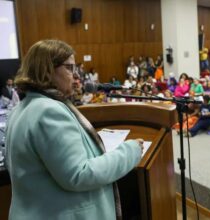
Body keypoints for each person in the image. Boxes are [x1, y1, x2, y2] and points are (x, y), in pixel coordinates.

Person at [5, 40, 143, 220]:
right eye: (69, 68)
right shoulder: (48, 111)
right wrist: (129, 151)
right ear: (47, 69)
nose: (76, 75)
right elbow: (79, 174)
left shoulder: (21, 109)